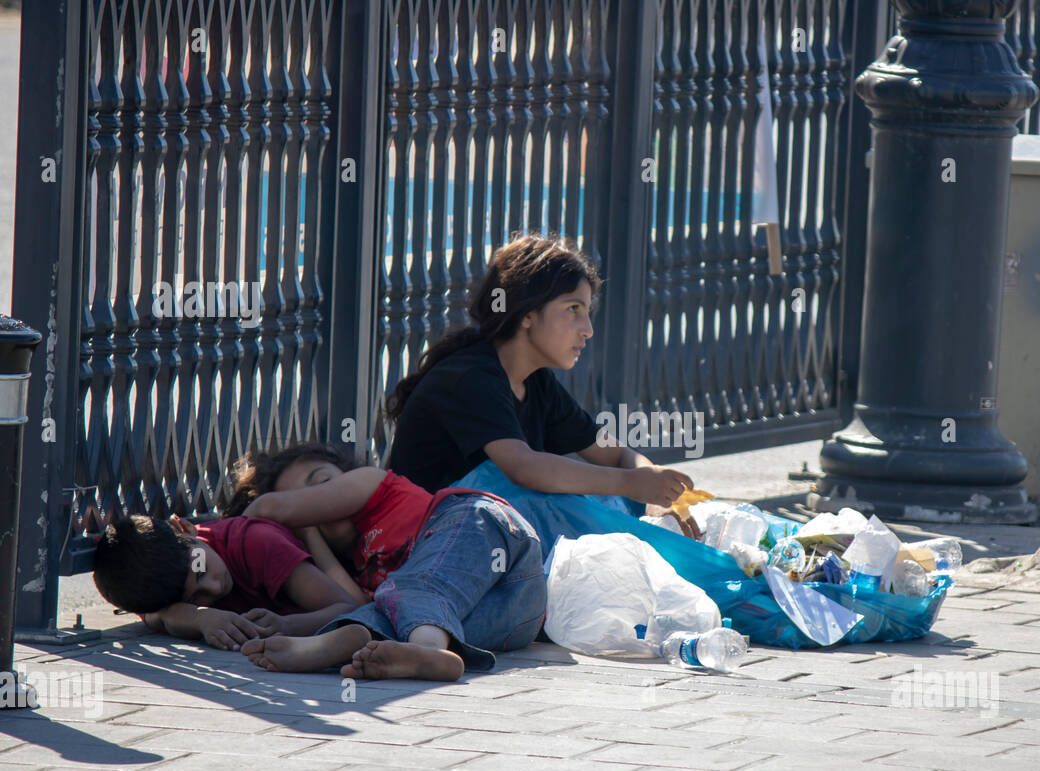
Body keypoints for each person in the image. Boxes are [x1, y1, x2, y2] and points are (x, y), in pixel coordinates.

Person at [384, 233, 694, 511]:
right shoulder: (470, 377)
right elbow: (525, 468)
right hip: (420, 544)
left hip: (480, 540)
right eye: (573, 309)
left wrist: (654, 487)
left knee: (600, 498)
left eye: (588, 312)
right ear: (527, 314)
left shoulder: (537, 383)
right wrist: (631, 484)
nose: (587, 330)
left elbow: (615, 454)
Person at [236, 453, 547, 682]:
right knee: (383, 608)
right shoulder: (357, 565)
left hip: (488, 533)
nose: (311, 504)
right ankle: (349, 639)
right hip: (507, 623)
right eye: (302, 507)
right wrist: (309, 533)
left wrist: (220, 534)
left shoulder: (374, 485)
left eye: (320, 484)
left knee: (410, 586)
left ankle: (427, 651)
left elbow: (270, 509)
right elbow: (350, 602)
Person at [92, 512, 362, 651]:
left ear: (183, 529)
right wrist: (200, 618)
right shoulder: (155, 582)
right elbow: (156, 615)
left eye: (201, 571)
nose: (214, 587)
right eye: (196, 597)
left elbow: (349, 608)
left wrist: (287, 625)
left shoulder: (256, 545)